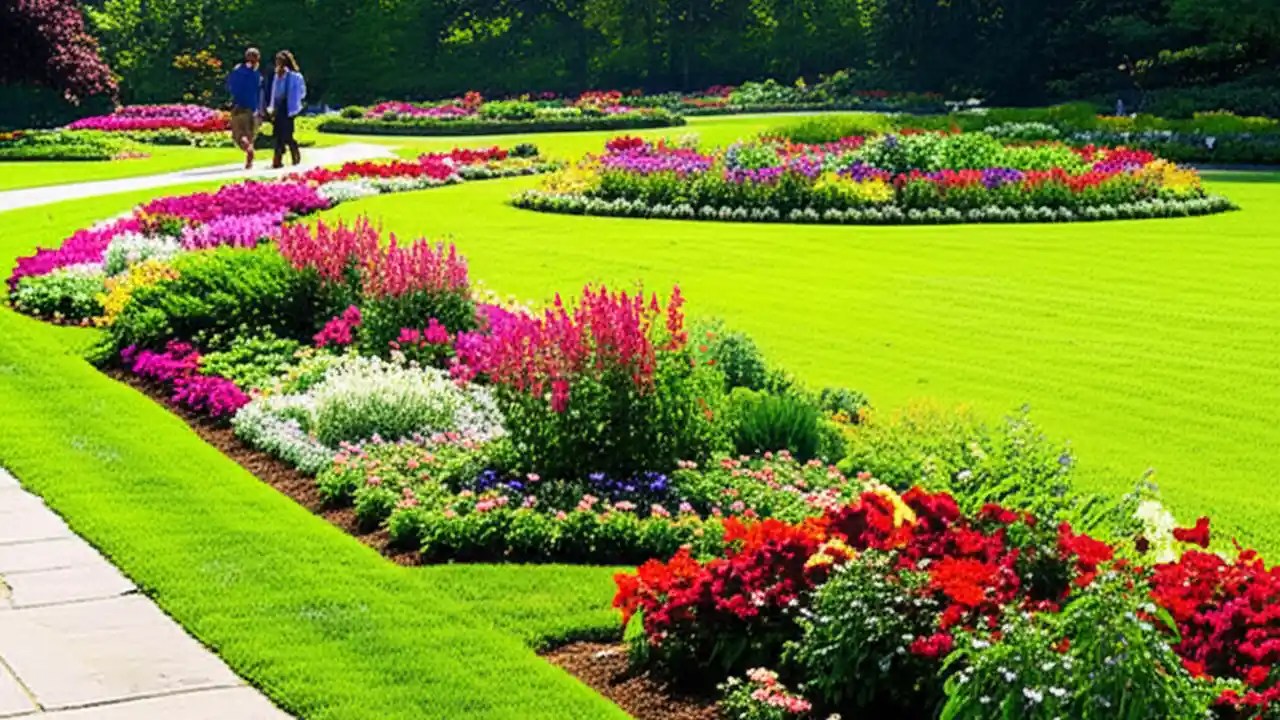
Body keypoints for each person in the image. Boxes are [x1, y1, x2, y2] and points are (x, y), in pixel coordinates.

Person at [226, 48, 264, 169]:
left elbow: (230, 86)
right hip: (252, 108)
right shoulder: (256, 74)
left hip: (238, 106)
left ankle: (248, 149)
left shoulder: (238, 71)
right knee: (250, 134)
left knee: (238, 135)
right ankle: (249, 159)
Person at [268, 50, 306, 168]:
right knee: (278, 133)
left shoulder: (295, 77)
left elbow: (302, 92)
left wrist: (296, 102)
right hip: (279, 106)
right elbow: (274, 92)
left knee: (287, 133)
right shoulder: (277, 76)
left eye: (280, 62)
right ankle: (277, 160)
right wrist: (272, 107)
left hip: (289, 107)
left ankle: (294, 153)